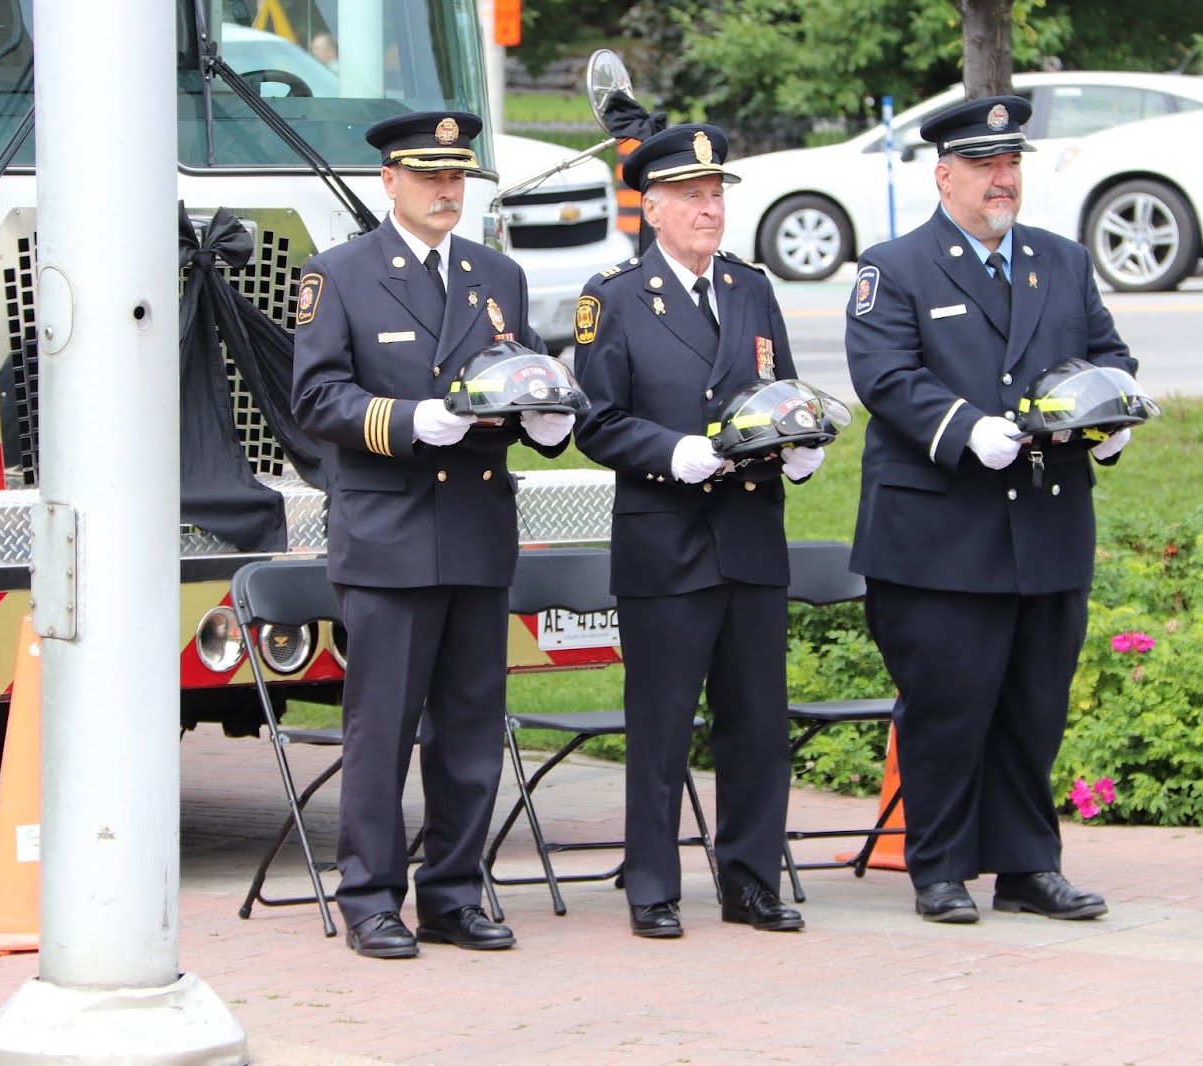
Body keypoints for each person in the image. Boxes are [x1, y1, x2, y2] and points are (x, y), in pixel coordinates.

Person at [843, 95, 1134, 924]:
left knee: (1034, 706)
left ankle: (1027, 866)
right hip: (940, 535)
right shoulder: (896, 266)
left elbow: (1107, 354)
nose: (1001, 180)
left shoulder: (1061, 261)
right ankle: (938, 868)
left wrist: (1109, 418)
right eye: (983, 166)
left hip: (1044, 527)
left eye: (1010, 165)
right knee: (947, 706)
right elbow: (885, 374)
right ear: (944, 176)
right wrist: (966, 428)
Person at [291, 111, 574, 959]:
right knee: (381, 730)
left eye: (456, 177)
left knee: (471, 731)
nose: (447, 191)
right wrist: (410, 419)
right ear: (390, 181)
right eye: (428, 176)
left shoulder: (497, 274)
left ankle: (452, 893)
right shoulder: (340, 274)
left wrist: (549, 416)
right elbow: (316, 398)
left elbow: (519, 372)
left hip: (476, 530)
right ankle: (371, 899)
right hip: (390, 531)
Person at [573, 123, 820, 939]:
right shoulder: (613, 297)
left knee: (758, 724)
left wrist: (800, 444)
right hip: (667, 539)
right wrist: (672, 452)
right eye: (691, 196)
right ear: (651, 208)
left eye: (716, 195)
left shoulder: (749, 287)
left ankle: (751, 882)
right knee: (662, 725)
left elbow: (780, 388)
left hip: (749, 534)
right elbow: (596, 421)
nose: (710, 209)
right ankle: (653, 886)